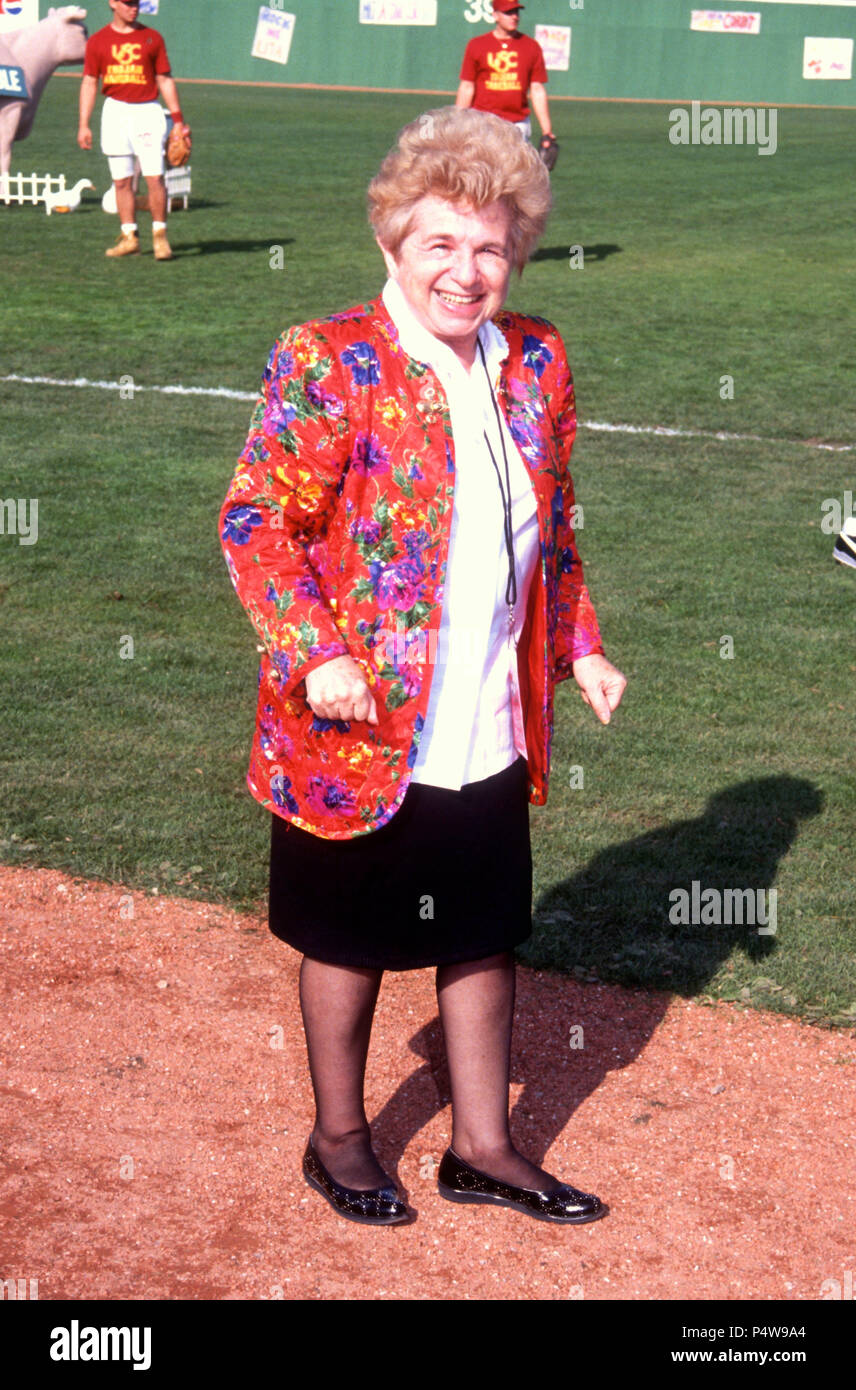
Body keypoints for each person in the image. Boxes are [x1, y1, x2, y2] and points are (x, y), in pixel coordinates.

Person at [219, 106, 626, 1228]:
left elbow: (555, 527)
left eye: (490, 245)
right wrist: (317, 656)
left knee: (480, 929)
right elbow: (258, 521)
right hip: (356, 716)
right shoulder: (332, 356)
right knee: (346, 933)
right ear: (393, 240)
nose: (467, 269)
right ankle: (340, 1135)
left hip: (485, 712)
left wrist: (579, 641)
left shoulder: (535, 359)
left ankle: (483, 1145)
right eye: (441, 242)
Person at [77, 0, 190, 260]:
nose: (134, 7)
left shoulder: (152, 38)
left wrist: (178, 119)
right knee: (121, 181)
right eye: (128, 3)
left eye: (136, 3)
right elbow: (90, 81)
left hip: (147, 110)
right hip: (115, 111)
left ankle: (160, 236)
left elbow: (164, 79)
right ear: (113, 3)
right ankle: (129, 237)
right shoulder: (97, 41)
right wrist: (83, 123)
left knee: (154, 177)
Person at [456, 1, 554, 153]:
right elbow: (467, 86)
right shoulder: (477, 45)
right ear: (495, 15)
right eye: (508, 13)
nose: (514, 17)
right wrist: (458, 122)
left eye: (516, 12)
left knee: (517, 175)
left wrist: (547, 131)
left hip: (517, 124)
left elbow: (537, 89)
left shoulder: (531, 46)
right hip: (483, 123)